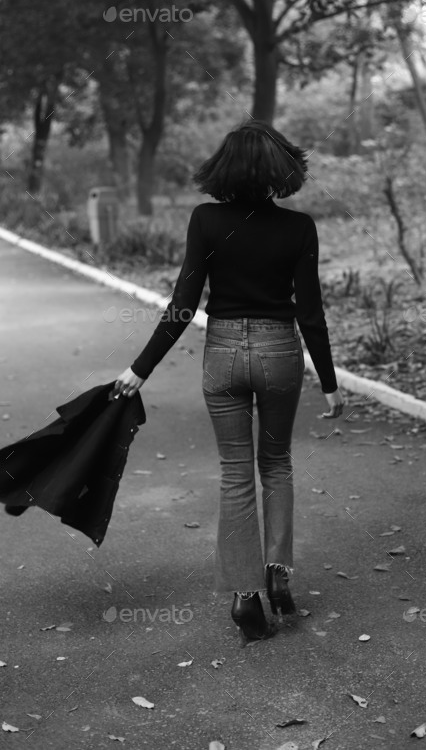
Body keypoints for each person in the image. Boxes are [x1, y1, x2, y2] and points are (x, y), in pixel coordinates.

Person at [114, 120, 344, 644]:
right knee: (277, 464)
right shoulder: (299, 227)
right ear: (281, 170)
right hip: (278, 350)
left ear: (224, 169)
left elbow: (183, 306)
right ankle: (278, 571)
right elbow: (311, 312)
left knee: (235, 473)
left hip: (221, 355)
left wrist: (139, 368)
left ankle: (245, 597)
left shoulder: (206, 221)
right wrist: (328, 381)